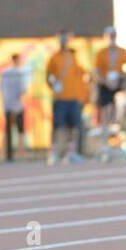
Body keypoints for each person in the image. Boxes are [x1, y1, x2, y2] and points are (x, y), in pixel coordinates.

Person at [45, 33, 88, 164]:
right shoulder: (54, 58)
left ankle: (71, 152)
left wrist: (82, 96)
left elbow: (81, 75)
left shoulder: (73, 58)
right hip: (60, 98)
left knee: (73, 127)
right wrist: (54, 85)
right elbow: (48, 76)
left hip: (73, 97)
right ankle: (56, 152)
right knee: (59, 126)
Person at [93, 27, 126, 150]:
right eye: (110, 36)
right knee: (106, 112)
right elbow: (96, 72)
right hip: (106, 85)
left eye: (113, 35)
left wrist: (122, 79)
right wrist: (105, 82)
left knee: (119, 111)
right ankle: (105, 143)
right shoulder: (101, 53)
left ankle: (121, 141)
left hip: (119, 84)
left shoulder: (122, 52)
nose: (112, 38)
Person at [0, 53, 27, 161]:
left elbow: (1, 89)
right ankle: (22, 156)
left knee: (7, 131)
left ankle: (3, 155)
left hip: (8, 105)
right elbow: (21, 90)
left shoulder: (5, 73)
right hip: (17, 105)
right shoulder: (18, 74)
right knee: (20, 131)